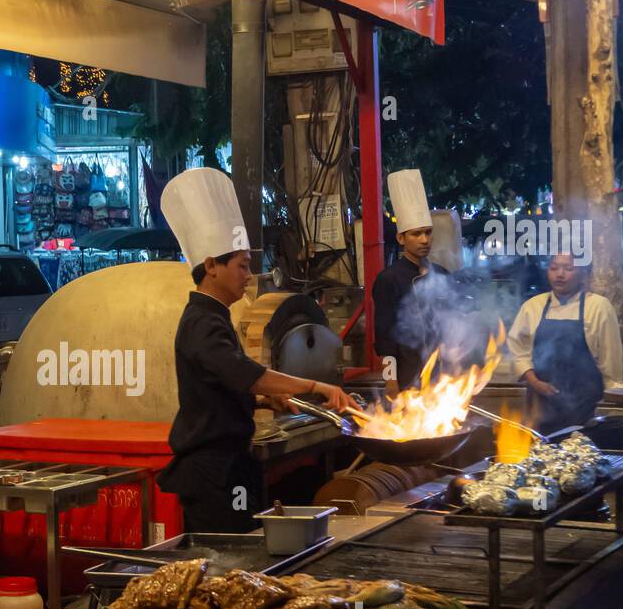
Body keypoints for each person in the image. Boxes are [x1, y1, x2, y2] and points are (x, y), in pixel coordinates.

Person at [156, 168, 351, 533]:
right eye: (242, 266)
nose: (248, 276)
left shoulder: (215, 316)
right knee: (226, 561)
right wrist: (317, 387)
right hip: (213, 471)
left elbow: (223, 387)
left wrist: (265, 402)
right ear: (211, 266)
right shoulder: (202, 321)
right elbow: (246, 375)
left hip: (230, 465)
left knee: (245, 550)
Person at [507, 251, 623, 433]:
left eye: (569, 268)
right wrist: (534, 381)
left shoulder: (598, 307)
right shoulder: (533, 306)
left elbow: (611, 365)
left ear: (584, 274)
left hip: (585, 411)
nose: (559, 274)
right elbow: (517, 350)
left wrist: (610, 406)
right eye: (554, 268)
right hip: (540, 411)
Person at [372, 169, 450, 390]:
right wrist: (391, 383)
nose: (424, 240)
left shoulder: (442, 274)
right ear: (401, 238)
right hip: (408, 379)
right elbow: (384, 338)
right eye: (416, 234)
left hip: (443, 380)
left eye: (428, 232)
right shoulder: (389, 279)